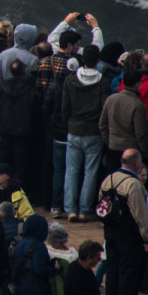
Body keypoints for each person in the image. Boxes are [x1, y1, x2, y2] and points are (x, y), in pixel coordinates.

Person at [100, 149, 148, 295]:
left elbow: (101, 207)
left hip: (110, 233)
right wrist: (145, 238)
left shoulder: (108, 179)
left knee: (113, 270)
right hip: (129, 236)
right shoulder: (133, 184)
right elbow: (140, 215)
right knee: (129, 272)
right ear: (136, 163)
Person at [61, 45, 109, 219]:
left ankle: (70, 209)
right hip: (93, 131)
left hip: (74, 129)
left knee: (71, 171)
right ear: (98, 60)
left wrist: (67, 124)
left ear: (82, 59)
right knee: (90, 172)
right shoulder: (103, 82)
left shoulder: (70, 80)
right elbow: (104, 108)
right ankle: (84, 209)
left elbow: (65, 107)